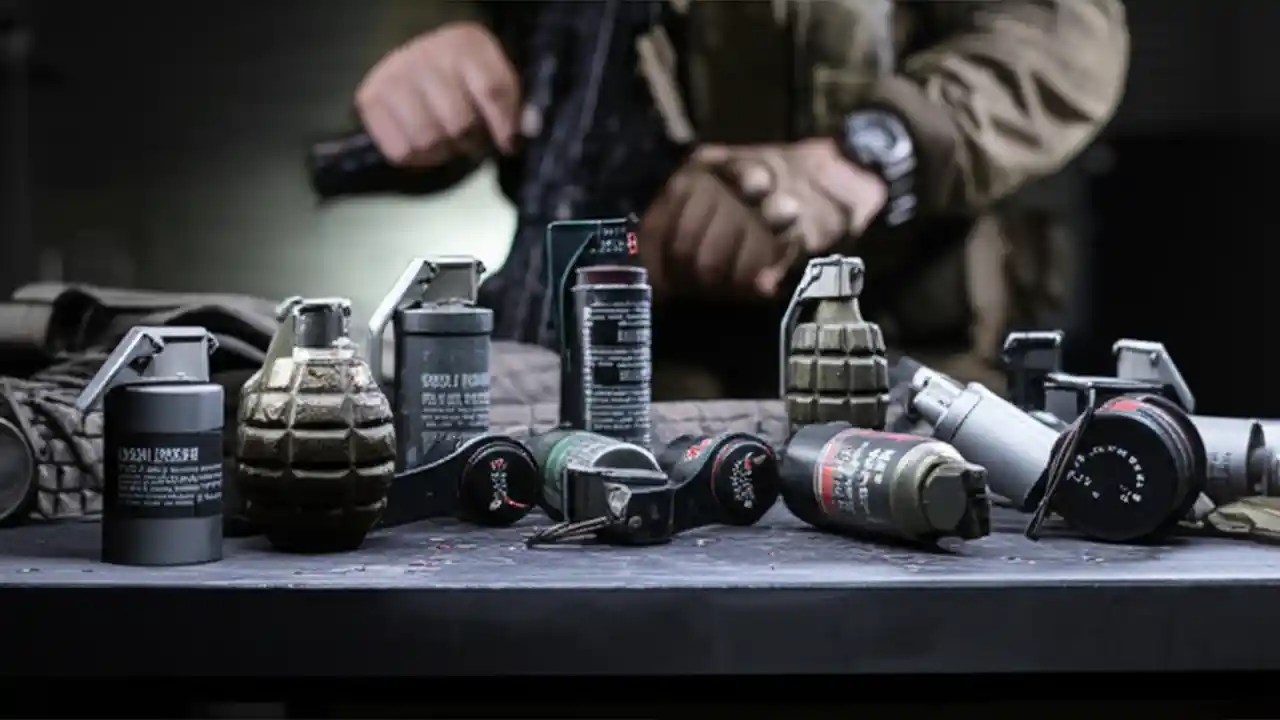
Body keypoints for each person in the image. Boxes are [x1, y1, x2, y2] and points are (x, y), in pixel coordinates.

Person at [350, 0, 1130, 399]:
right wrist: (435, 45)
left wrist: (859, 159)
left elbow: (1061, 41)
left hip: (885, 364)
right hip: (582, 361)